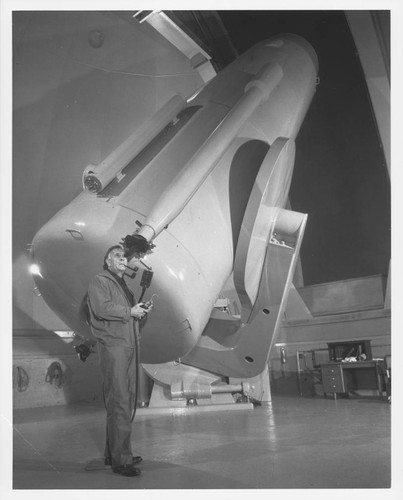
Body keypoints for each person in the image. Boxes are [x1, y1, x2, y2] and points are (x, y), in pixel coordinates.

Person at [87, 240, 152, 477]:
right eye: (117, 256)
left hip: (128, 347)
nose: (123, 259)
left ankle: (114, 452)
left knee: (125, 401)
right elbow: (102, 308)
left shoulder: (126, 287)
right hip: (114, 347)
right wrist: (130, 311)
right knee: (120, 402)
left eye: (124, 257)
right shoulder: (100, 281)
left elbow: (129, 317)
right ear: (107, 261)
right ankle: (121, 460)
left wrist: (140, 310)